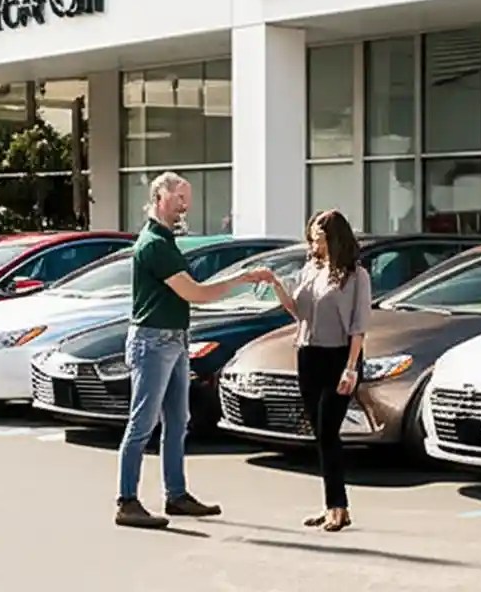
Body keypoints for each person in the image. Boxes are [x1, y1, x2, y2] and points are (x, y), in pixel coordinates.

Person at [115, 171, 274, 529]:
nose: (185, 207)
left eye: (187, 199)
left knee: (178, 421)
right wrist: (241, 279)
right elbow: (195, 293)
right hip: (154, 341)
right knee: (143, 423)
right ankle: (127, 501)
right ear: (160, 198)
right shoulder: (154, 243)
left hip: (172, 338)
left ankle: (176, 495)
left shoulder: (166, 240)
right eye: (179, 200)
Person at [268, 208, 371, 532]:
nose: (314, 243)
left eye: (319, 237)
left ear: (334, 238)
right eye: (311, 237)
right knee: (321, 435)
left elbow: (359, 327)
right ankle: (335, 505)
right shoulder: (310, 269)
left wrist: (351, 369)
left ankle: (335, 506)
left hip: (341, 358)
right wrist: (274, 284)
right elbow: (298, 312)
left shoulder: (356, 275)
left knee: (328, 432)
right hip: (308, 355)